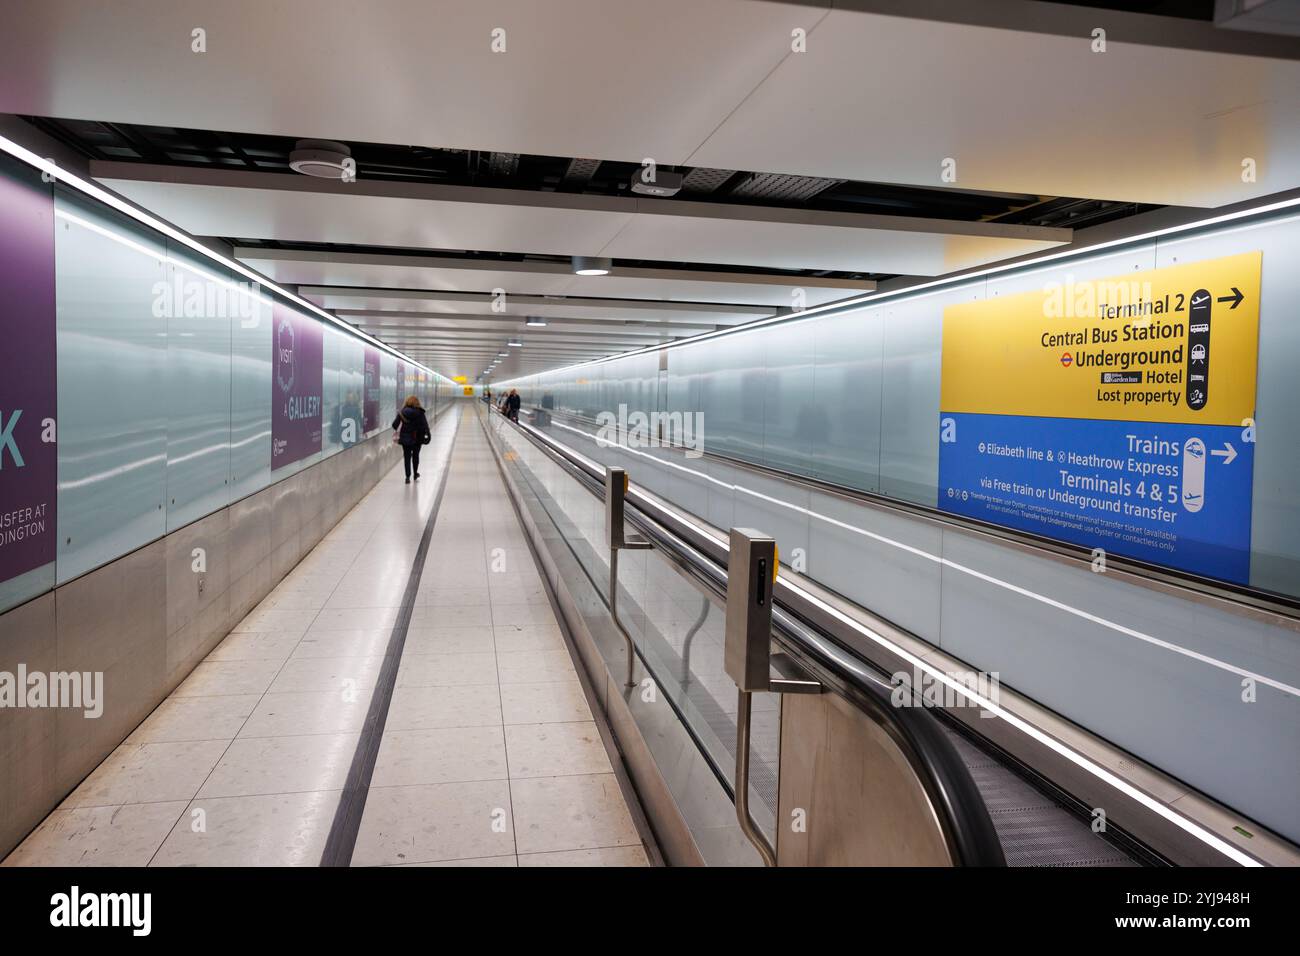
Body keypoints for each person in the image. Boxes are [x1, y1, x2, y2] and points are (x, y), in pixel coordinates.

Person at [392, 395, 430, 483]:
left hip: (406, 438)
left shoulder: (402, 412)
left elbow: (394, 425)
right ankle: (415, 473)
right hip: (417, 438)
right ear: (417, 403)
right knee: (416, 456)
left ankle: (407, 477)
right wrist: (427, 434)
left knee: (407, 457)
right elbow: (425, 425)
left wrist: (403, 425)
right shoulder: (420, 412)